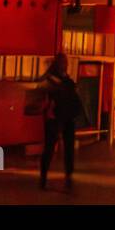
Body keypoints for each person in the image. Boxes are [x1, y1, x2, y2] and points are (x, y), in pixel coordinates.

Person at [37, 53, 80, 191]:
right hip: (56, 117)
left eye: (66, 62)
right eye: (64, 62)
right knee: (51, 149)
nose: (66, 65)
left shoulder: (61, 79)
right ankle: (45, 178)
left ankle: (66, 177)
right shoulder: (53, 79)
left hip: (63, 117)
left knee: (64, 149)